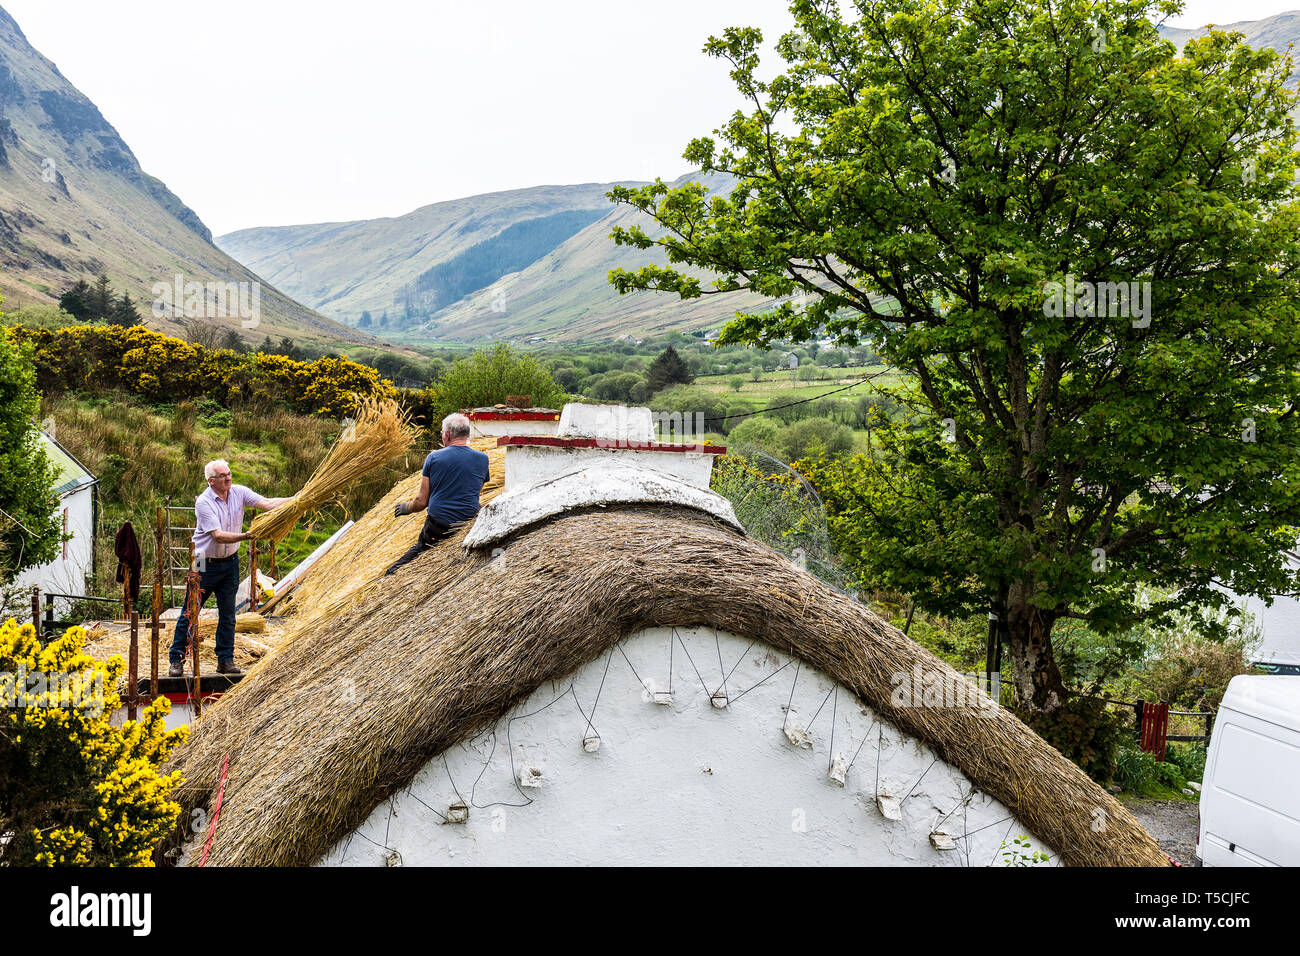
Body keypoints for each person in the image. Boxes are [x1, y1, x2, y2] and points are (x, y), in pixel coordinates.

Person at [169, 459, 290, 677]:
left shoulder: (239, 492)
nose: (228, 478)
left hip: (229, 562)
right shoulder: (204, 502)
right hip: (203, 561)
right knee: (191, 610)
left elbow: (268, 503)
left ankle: (225, 660)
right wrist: (247, 536)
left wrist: (297, 499)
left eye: (229, 473)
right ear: (211, 481)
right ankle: (176, 659)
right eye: (223, 476)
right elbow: (218, 535)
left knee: (228, 614)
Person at [386, 412, 490, 575]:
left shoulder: (434, 457)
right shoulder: (483, 459)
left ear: (447, 435)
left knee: (418, 552)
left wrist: (407, 507)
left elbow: (421, 501)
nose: (442, 436)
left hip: (439, 526)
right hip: (469, 526)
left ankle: (389, 577)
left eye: (442, 433)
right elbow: (475, 490)